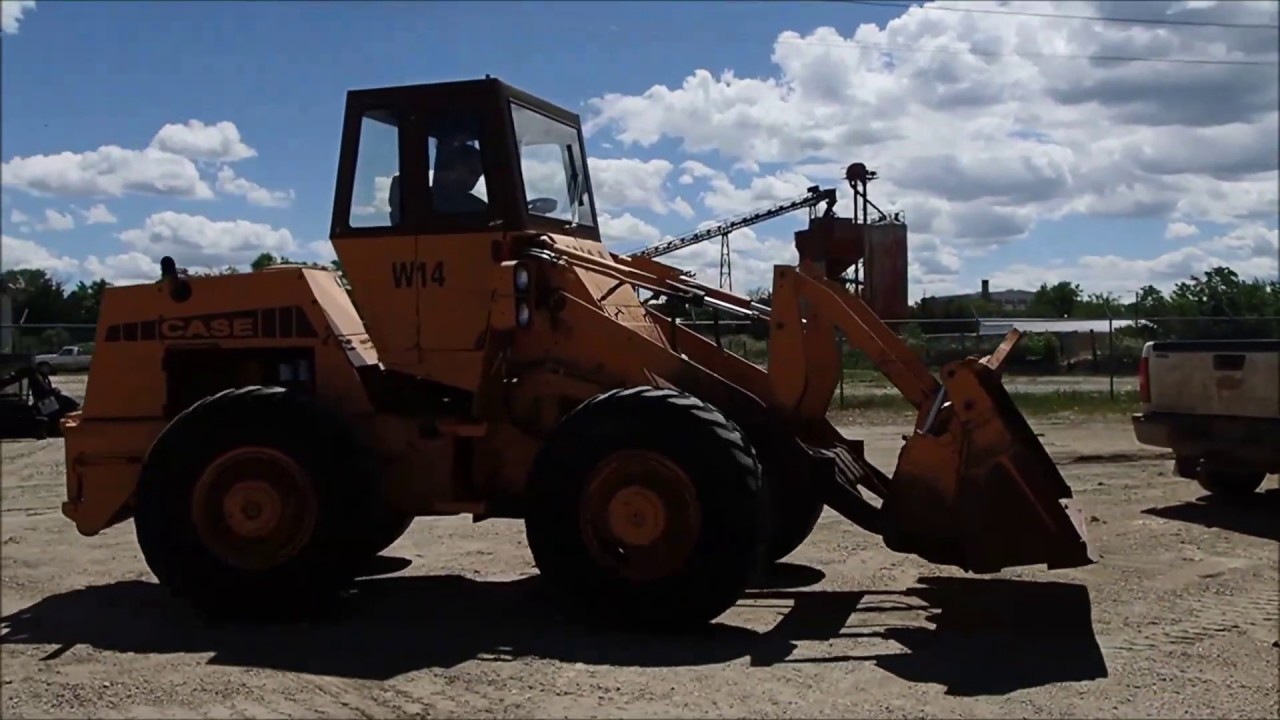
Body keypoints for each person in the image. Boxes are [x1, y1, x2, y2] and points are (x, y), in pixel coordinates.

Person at [432, 141, 488, 215]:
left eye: (479, 175)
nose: (476, 179)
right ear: (453, 164)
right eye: (472, 171)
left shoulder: (478, 206)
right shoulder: (477, 207)